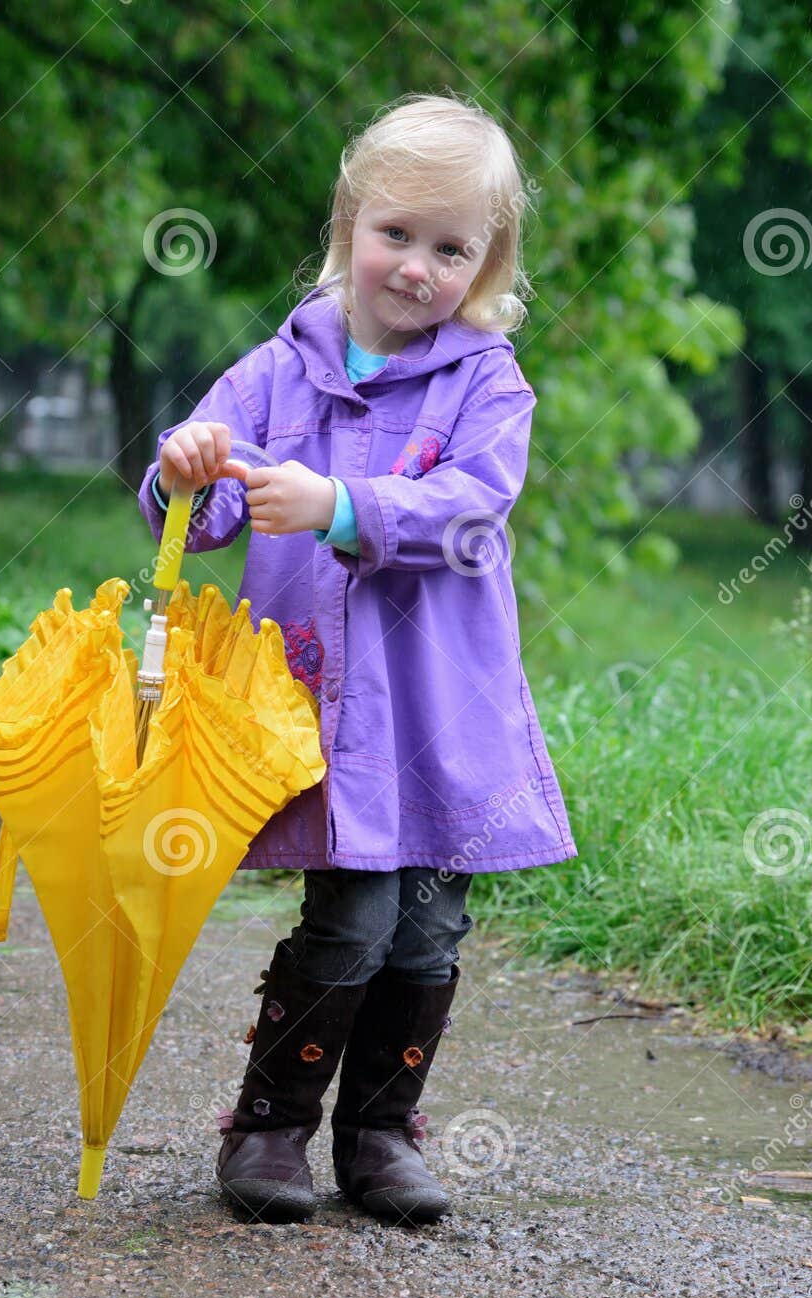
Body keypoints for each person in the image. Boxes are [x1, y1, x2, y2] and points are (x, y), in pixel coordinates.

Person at [138, 92, 577, 1227]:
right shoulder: (280, 373)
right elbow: (208, 500)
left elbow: (474, 510)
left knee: (430, 925)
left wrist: (342, 503)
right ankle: (272, 1123)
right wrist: (186, 469)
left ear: (485, 264)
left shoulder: (486, 380)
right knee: (351, 919)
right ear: (348, 227)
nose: (419, 267)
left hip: (443, 702)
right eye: (397, 234)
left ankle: (379, 1131)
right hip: (328, 708)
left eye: (452, 248)